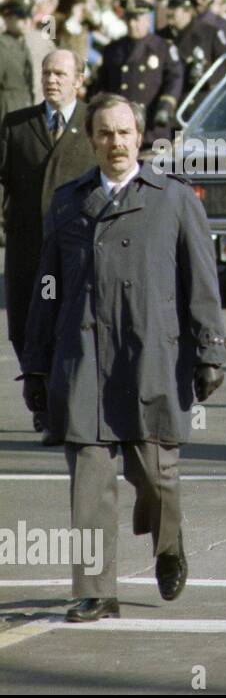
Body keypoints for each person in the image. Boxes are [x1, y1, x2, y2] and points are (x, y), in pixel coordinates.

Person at [19, 92, 226, 623]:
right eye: (105, 133)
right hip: (84, 353)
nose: (115, 142)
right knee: (90, 477)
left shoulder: (174, 198)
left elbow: (201, 281)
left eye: (124, 132)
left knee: (156, 474)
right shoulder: (68, 202)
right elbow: (48, 285)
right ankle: (96, 590)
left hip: (150, 352)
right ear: (91, 140)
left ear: (141, 137)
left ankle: (169, 542)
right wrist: (38, 362)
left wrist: (210, 349)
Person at [1, 48, 99, 429]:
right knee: (26, 323)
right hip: (28, 251)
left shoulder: (94, 122)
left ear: (79, 80)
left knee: (67, 321)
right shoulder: (16, 125)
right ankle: (38, 391)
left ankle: (61, 403)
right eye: (47, 73)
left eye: (60, 73)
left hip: (73, 251)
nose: (52, 80)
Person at [92, 0, 184, 146]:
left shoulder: (162, 47)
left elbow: (174, 78)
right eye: (128, 19)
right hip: (121, 124)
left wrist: (166, 106)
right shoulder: (114, 49)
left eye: (136, 19)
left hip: (151, 124)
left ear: (147, 20)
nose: (131, 24)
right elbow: (103, 84)